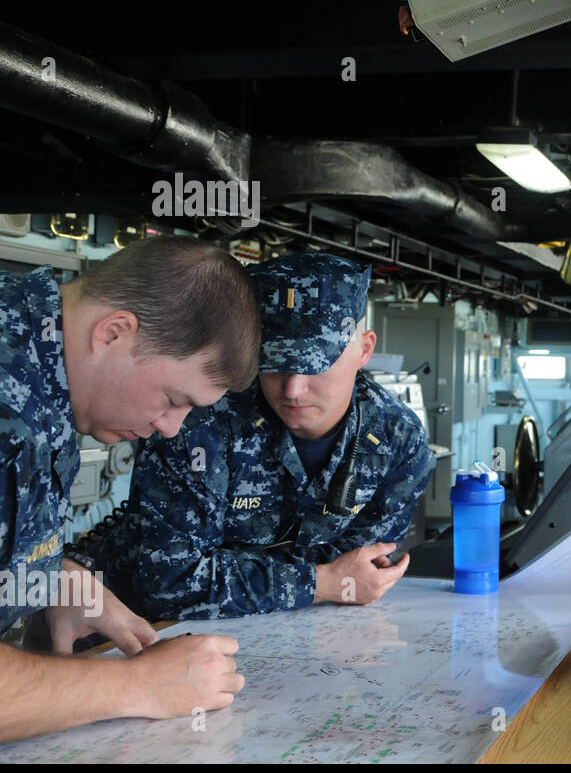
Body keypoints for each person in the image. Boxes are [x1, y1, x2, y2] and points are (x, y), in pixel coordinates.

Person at [70, 253, 435, 619]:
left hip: (293, 637)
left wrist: (317, 581)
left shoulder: (397, 442)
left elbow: (359, 572)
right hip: (134, 632)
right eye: (273, 363)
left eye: (315, 366)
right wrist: (320, 582)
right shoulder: (201, 419)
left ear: (365, 350)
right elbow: (171, 583)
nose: (293, 389)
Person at [0, 235, 256, 742]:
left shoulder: (48, 373)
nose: (171, 428)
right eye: (171, 399)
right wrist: (137, 685)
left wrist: (48, 575)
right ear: (114, 332)